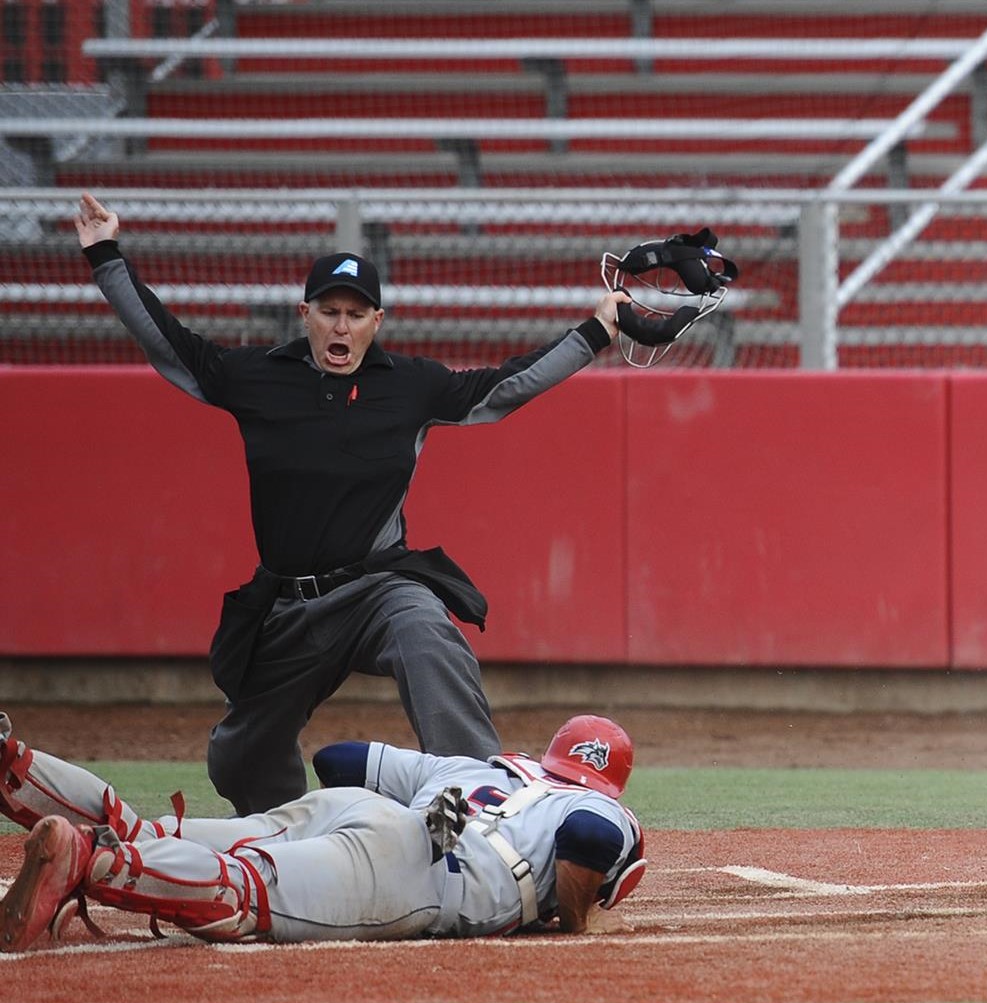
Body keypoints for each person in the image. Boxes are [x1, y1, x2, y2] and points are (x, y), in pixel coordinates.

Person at [73, 192, 631, 816]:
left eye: (356, 314)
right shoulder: (257, 377)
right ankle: (283, 835)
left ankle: (480, 806)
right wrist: (105, 255)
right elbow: (167, 343)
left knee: (427, 630)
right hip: (287, 604)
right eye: (330, 311)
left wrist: (598, 331)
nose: (342, 326)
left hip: (377, 589)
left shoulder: (411, 386)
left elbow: (507, 385)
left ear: (377, 322)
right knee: (238, 758)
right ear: (304, 313)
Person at [0, 710, 647, 952]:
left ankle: (17, 768)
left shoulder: (482, 766)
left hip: (355, 810)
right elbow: (588, 837)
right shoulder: (606, 811)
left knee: (146, 828)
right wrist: (582, 919)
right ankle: (86, 861)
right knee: (243, 893)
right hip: (418, 864)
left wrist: (432, 800)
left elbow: (338, 757)